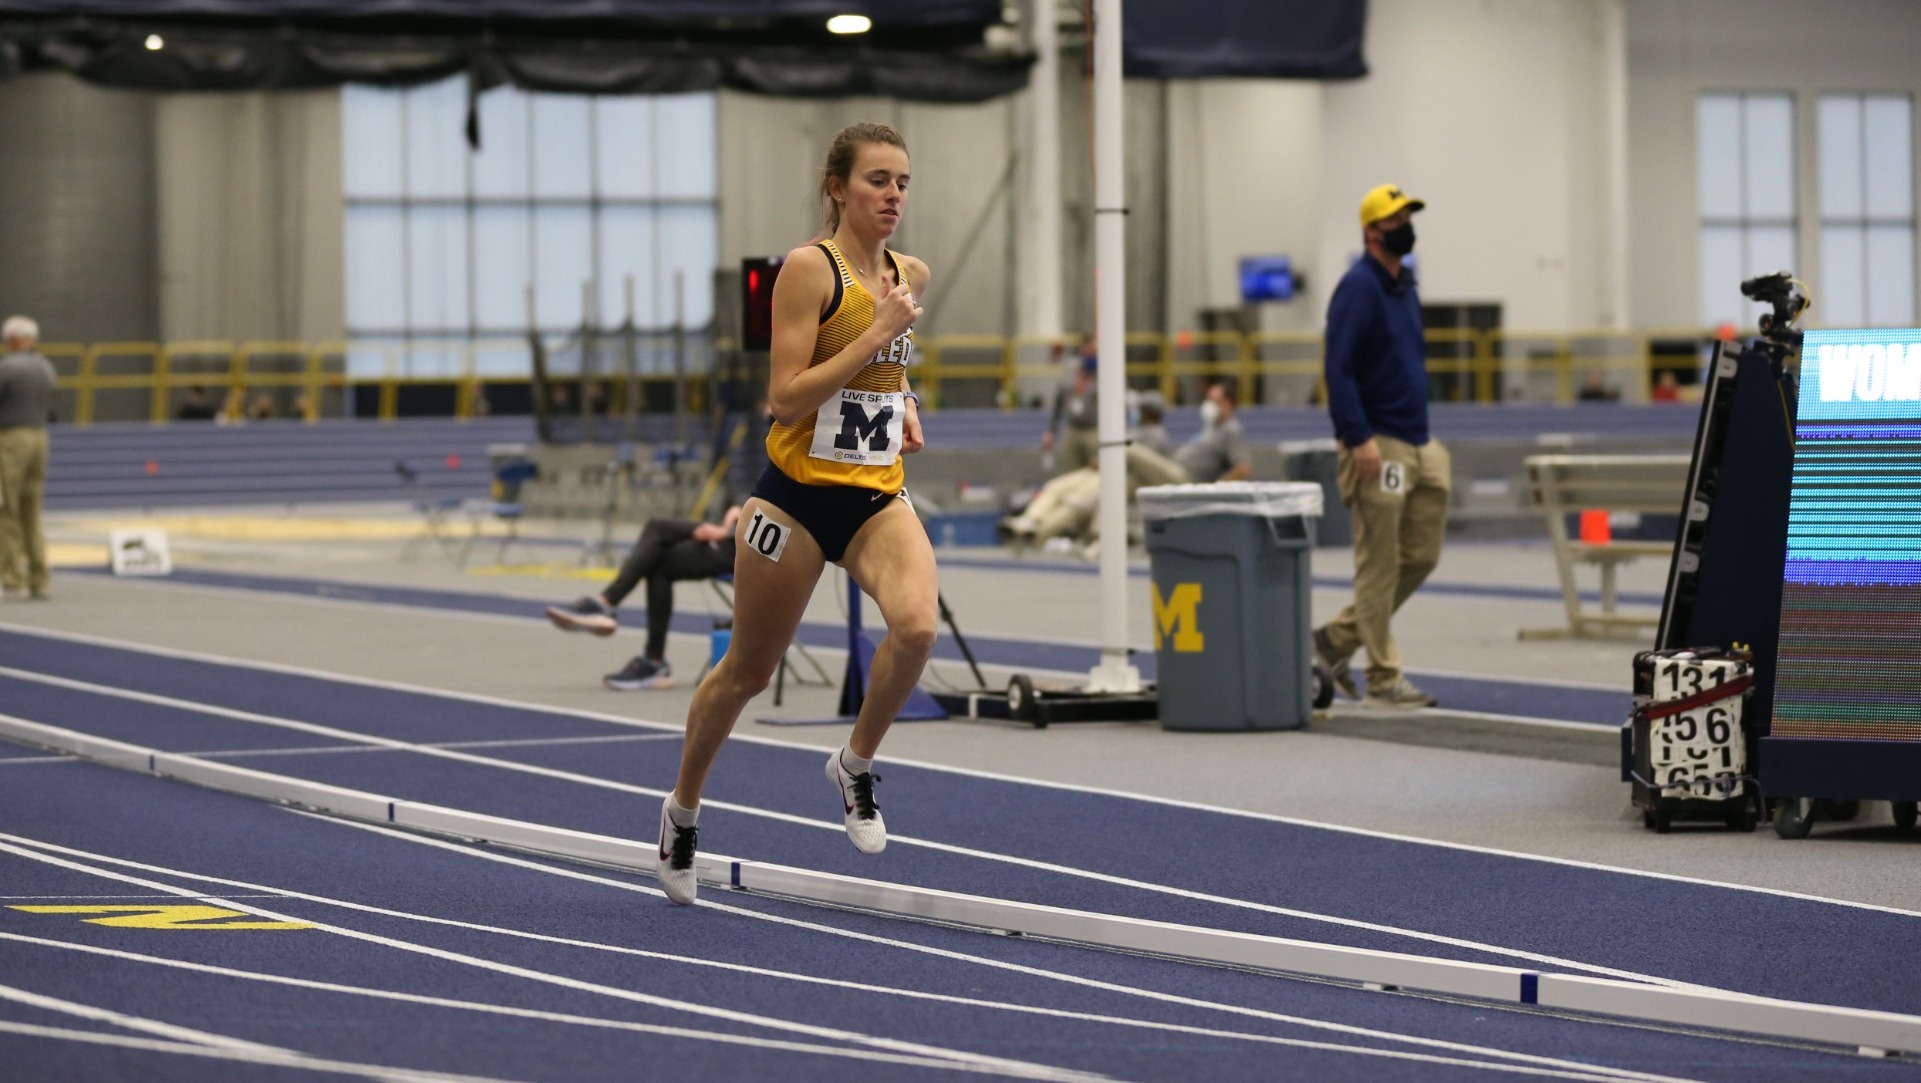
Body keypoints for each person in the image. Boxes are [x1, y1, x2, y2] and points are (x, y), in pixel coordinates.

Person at [655, 122, 934, 905]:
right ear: (837, 188)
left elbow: (886, 368)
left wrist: (905, 399)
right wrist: (878, 329)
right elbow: (784, 396)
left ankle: (853, 762)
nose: (893, 195)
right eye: (878, 180)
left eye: (903, 182)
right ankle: (681, 810)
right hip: (798, 495)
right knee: (749, 668)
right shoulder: (809, 272)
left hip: (875, 492)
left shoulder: (911, 273)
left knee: (916, 628)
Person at [1311, 185, 1450, 710]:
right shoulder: (1358, 287)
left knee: (1422, 556)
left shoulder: (1404, 285)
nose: (1407, 224)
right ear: (1373, 230)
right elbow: (1337, 368)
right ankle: (1384, 678)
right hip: (1377, 442)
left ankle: (1333, 641)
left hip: (1419, 439)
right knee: (1379, 564)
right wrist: (1356, 436)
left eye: (1409, 214)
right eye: (1397, 218)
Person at [545, 505, 743, 690]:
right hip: (736, 537)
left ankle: (607, 604)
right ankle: (653, 661)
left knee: (657, 529)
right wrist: (733, 518)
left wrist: (730, 527)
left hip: (749, 549)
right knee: (657, 558)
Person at [0, 316, 57, 601]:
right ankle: (40, 577)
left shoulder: (7, 367)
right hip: (39, 437)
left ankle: (12, 576)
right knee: (32, 512)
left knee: (7, 509)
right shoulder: (46, 367)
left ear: (12, 339)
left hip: (11, 439)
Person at [1174, 379, 1253, 484]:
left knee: (1144, 457)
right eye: (1208, 400)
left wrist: (1216, 488)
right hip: (1176, 469)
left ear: (1227, 403)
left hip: (1183, 478)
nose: (1208, 404)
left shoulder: (1231, 429)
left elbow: (1244, 468)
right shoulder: (1212, 426)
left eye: (1214, 400)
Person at [1041, 334, 1099, 475]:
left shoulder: (1104, 373)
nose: (1090, 353)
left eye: (1093, 350)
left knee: (1095, 472)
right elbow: (1058, 403)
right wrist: (1051, 431)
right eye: (1087, 349)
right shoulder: (1071, 373)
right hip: (1073, 429)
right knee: (1070, 471)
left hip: (1094, 429)